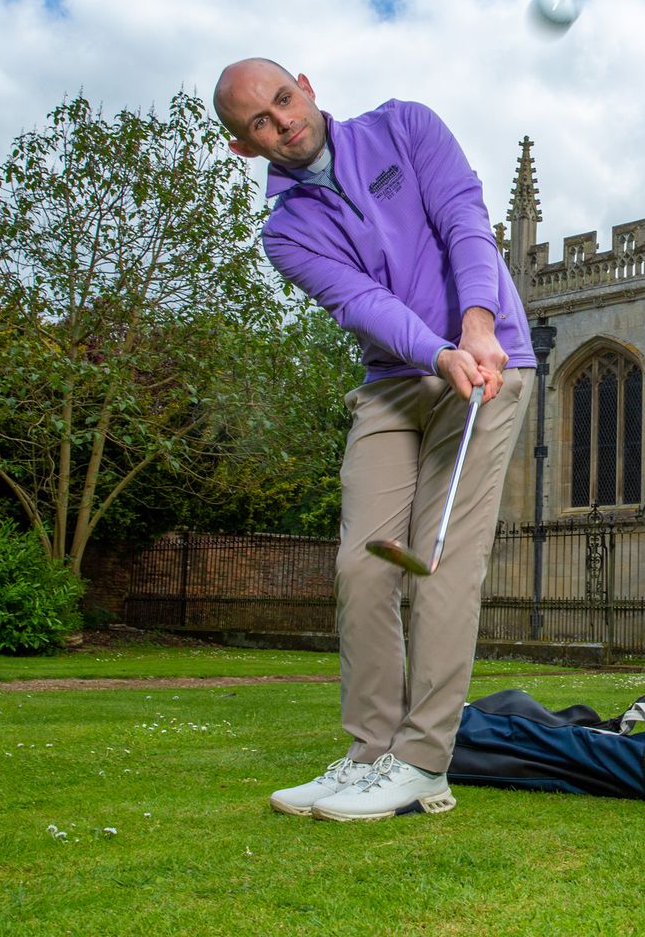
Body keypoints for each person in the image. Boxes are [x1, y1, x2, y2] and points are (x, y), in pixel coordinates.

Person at [213, 58, 535, 821]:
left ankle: (422, 764)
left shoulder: (405, 126)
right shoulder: (285, 234)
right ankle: (369, 758)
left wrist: (477, 325)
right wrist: (437, 354)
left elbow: (464, 220)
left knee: (438, 566)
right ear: (244, 146)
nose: (283, 123)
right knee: (362, 566)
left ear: (306, 85)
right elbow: (362, 302)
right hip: (396, 382)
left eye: (283, 100)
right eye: (260, 122)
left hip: (489, 366)